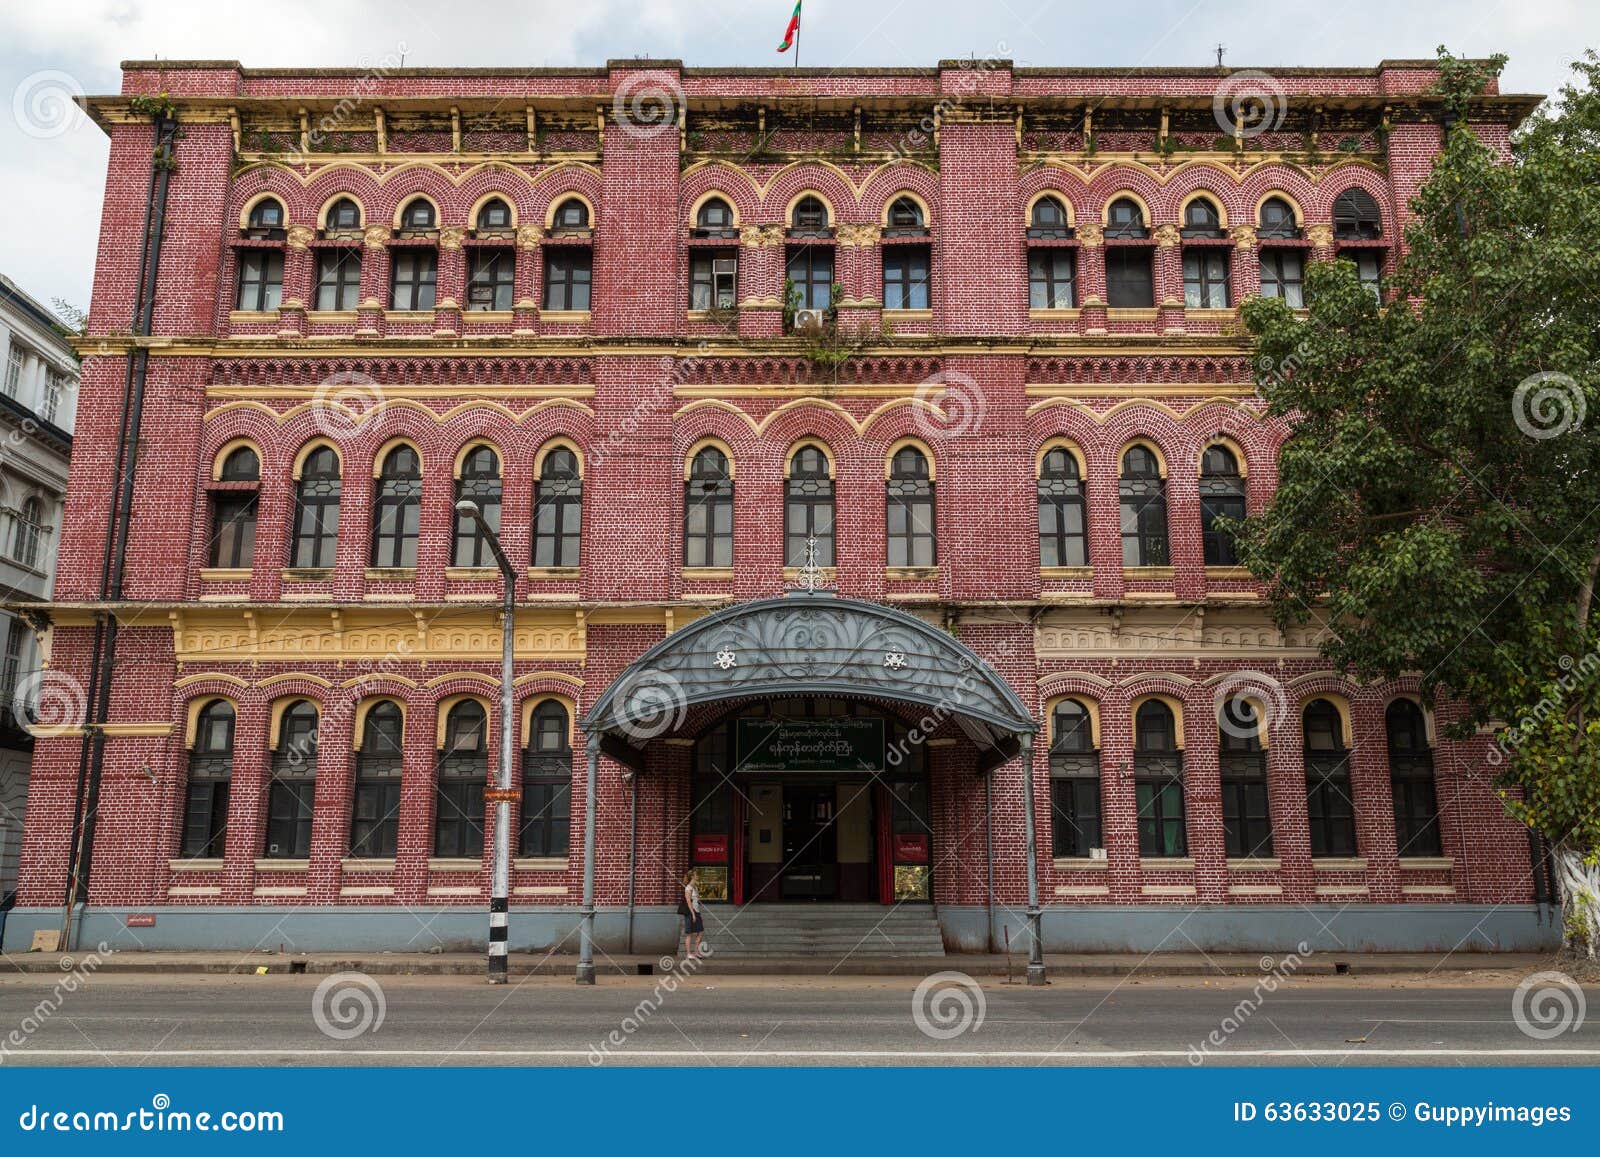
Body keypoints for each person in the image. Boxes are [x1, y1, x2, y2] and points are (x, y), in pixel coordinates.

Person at [678, 868, 706, 961]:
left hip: (696, 912)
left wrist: (698, 912)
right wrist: (693, 914)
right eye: (696, 875)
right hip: (690, 913)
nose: (698, 876)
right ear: (693, 877)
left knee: (701, 932)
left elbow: (695, 901)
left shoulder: (695, 887)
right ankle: (689, 954)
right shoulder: (688, 888)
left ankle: (696, 952)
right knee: (689, 934)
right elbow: (688, 902)